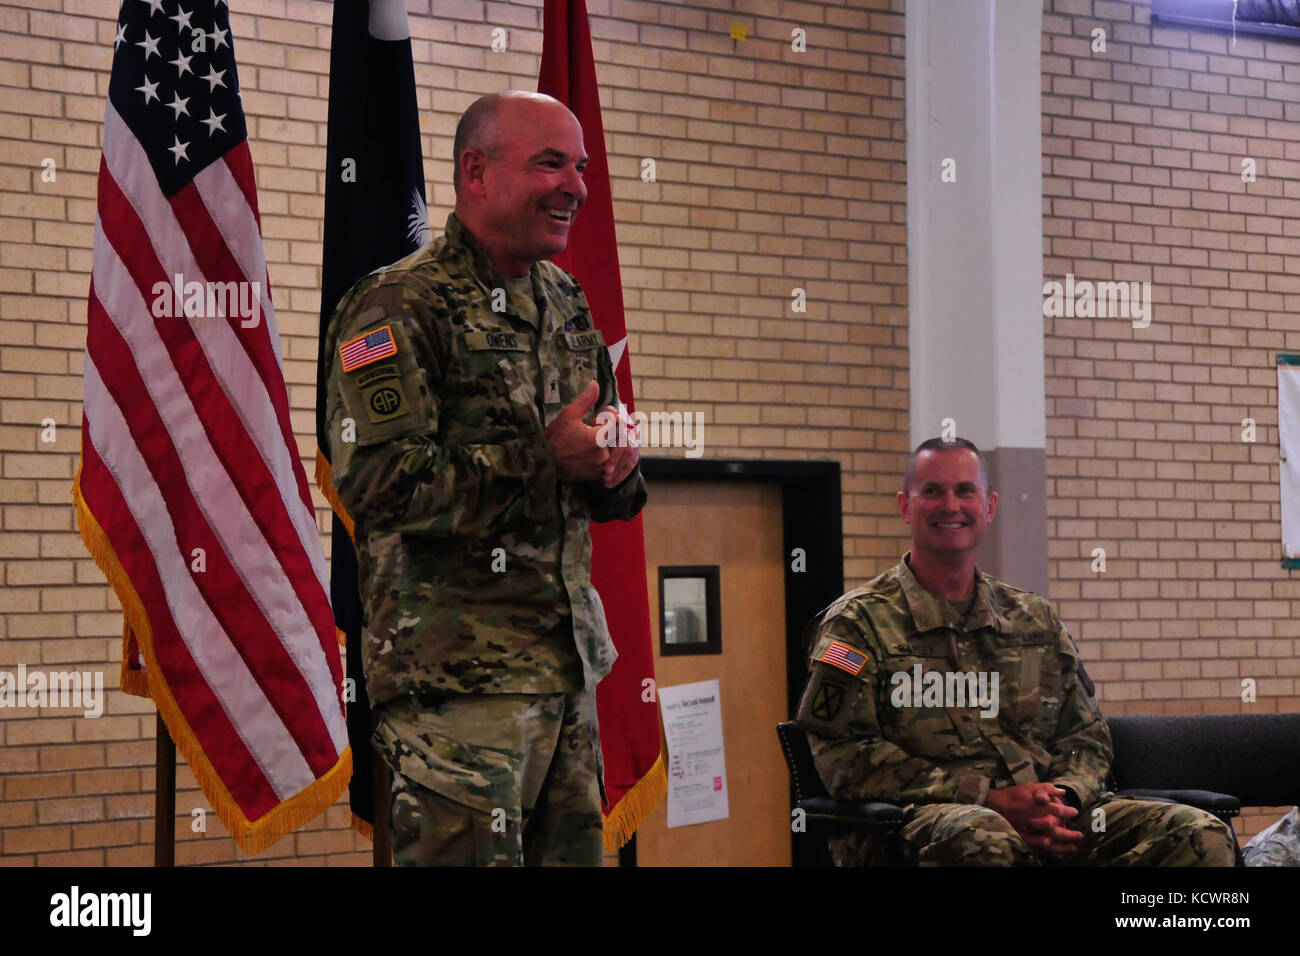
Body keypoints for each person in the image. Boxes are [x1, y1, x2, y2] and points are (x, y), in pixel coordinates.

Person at [323, 90, 646, 865]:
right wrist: (545, 459)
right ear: (475, 172)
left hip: (565, 676)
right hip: (456, 696)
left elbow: (603, 484)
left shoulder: (567, 303)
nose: (575, 185)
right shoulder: (397, 306)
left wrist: (615, 464)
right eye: (549, 164)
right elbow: (377, 483)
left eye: (581, 165)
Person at [796, 438, 1234, 866]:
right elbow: (843, 755)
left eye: (965, 490)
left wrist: (1061, 798)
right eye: (932, 492)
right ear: (905, 506)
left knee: (1197, 833)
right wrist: (987, 798)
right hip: (922, 825)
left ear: (989, 507)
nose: (951, 505)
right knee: (983, 837)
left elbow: (1085, 734)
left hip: (1054, 814)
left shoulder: (1034, 618)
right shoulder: (858, 623)